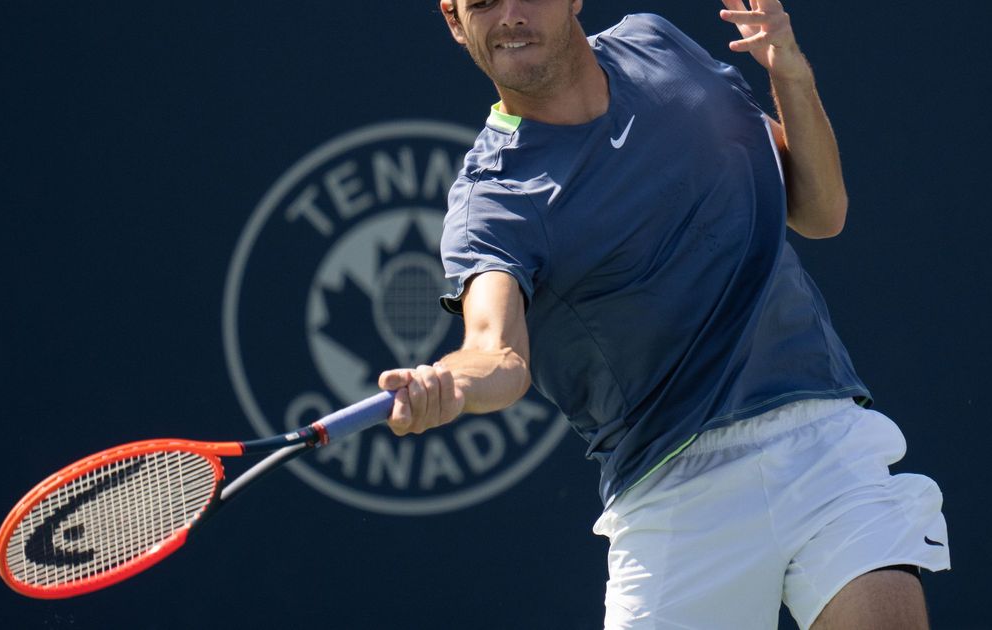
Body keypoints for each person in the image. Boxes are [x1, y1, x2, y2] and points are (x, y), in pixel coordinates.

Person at [378, 1, 950, 628]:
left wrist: (791, 74)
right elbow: (498, 353)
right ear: (455, 22)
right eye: (482, 2)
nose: (510, 15)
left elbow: (820, 210)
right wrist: (450, 384)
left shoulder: (659, 45)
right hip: (674, 493)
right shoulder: (491, 202)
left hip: (820, 440)